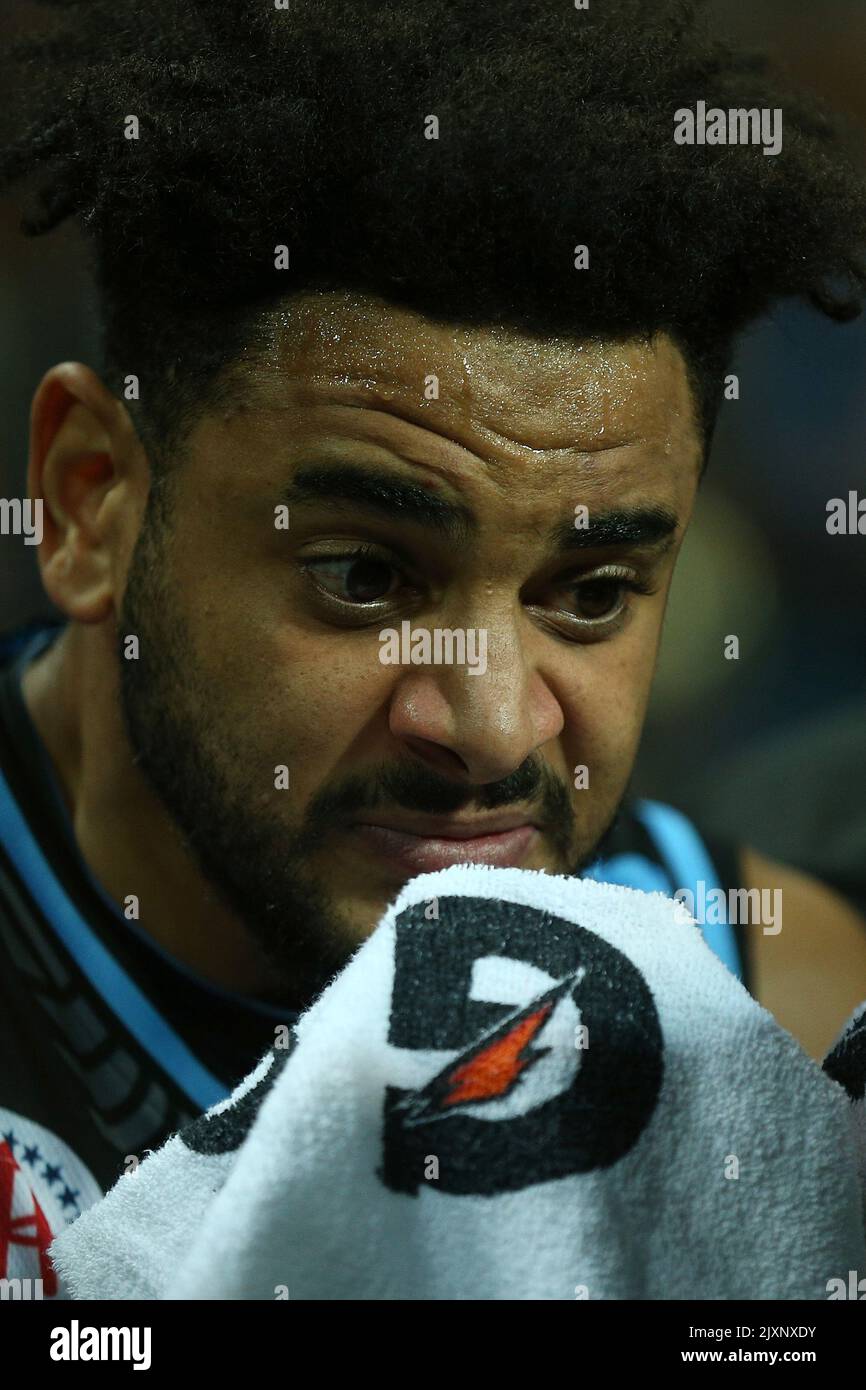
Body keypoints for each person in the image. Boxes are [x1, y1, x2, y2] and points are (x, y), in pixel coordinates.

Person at [1, 0, 865, 1284]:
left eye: (589, 594)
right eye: (362, 575)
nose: (490, 728)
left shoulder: (771, 1013)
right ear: (88, 503)